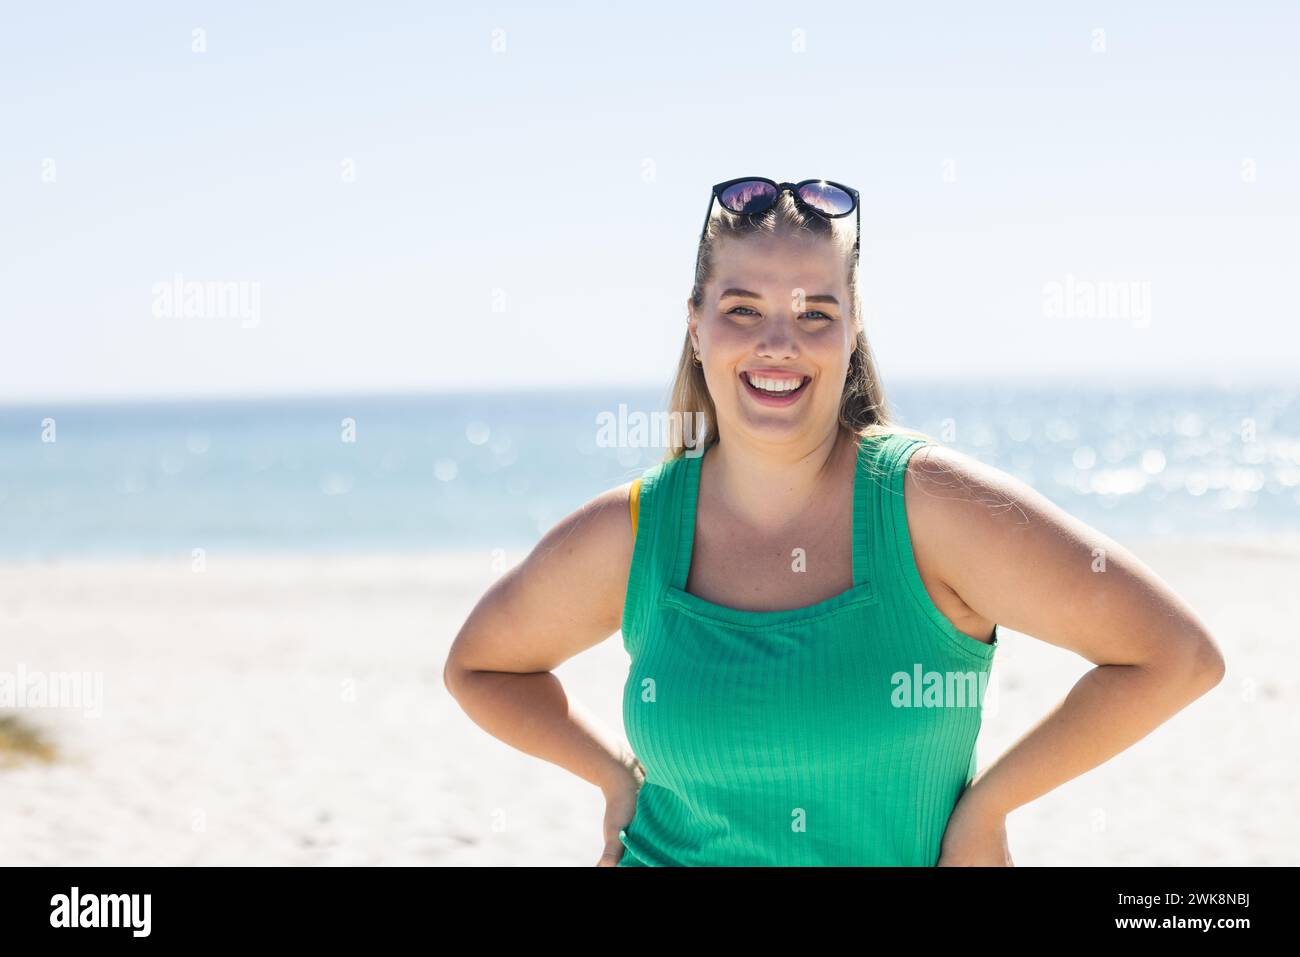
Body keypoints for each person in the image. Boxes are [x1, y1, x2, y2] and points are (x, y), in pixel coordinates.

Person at [443, 177, 1226, 866]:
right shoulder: (640, 529)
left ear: (853, 330)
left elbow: (1175, 656)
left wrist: (988, 809)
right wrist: (613, 776)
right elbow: (479, 667)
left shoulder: (926, 507)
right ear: (696, 324)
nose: (778, 343)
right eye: (743, 307)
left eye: (814, 312)